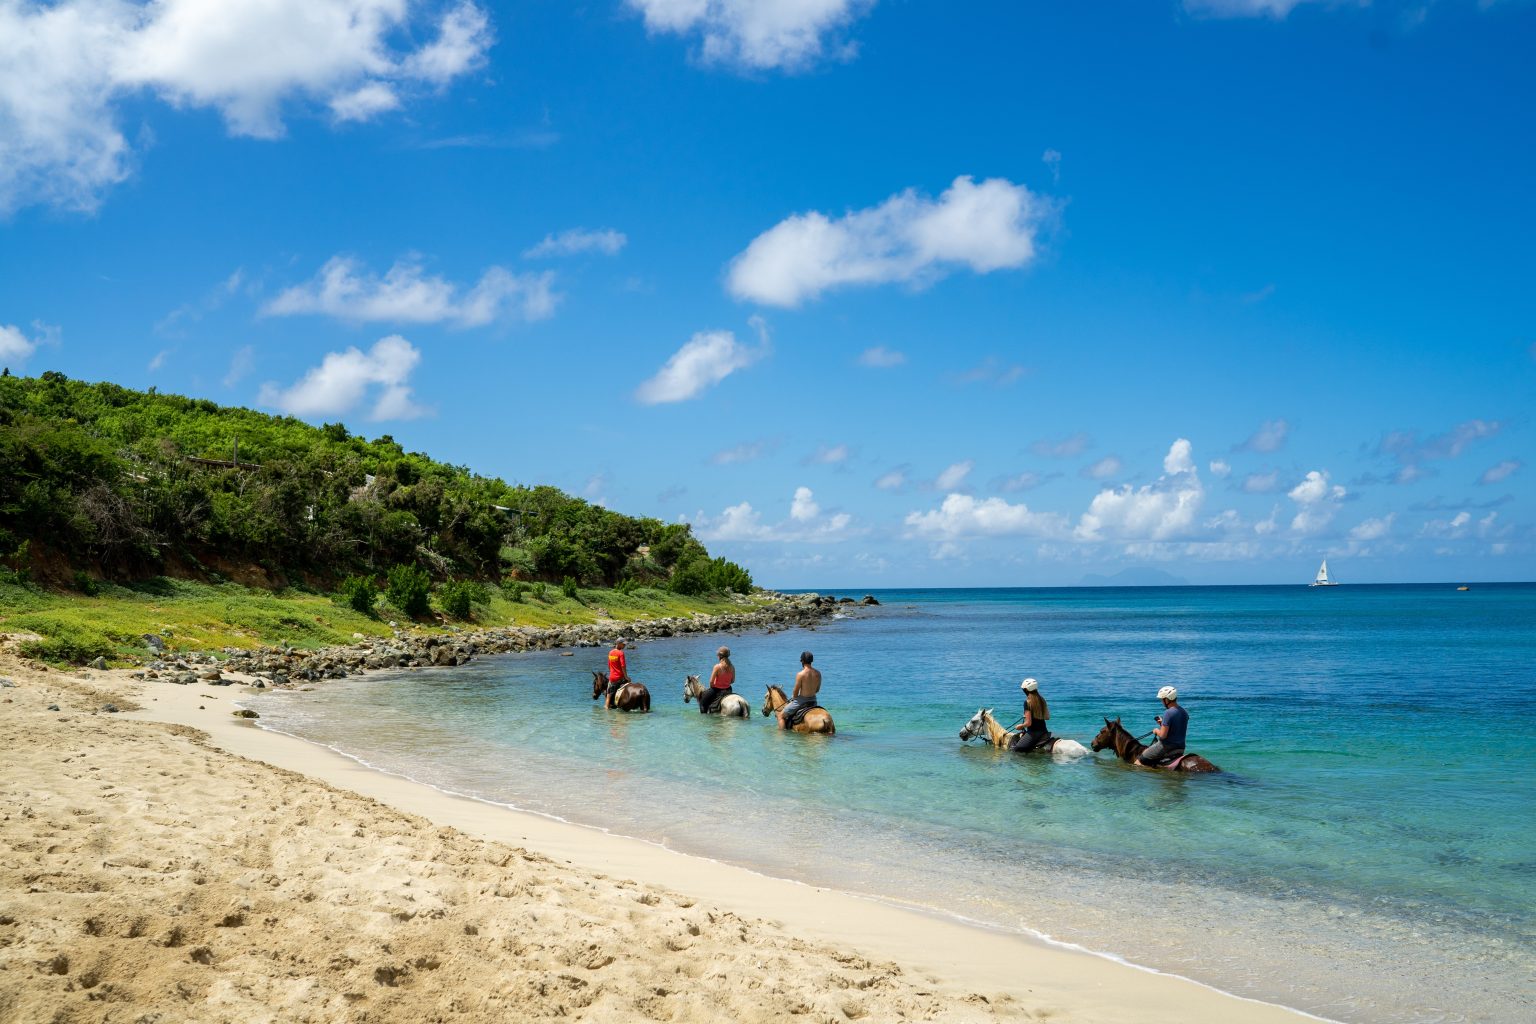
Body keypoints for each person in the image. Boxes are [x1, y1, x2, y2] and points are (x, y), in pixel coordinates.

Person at [1138, 685, 1188, 766]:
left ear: (1167, 699)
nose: (1162, 702)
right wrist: (1162, 723)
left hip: (1166, 746)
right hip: (1181, 747)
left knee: (1142, 758)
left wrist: (1156, 730)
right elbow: (1176, 728)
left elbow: (1162, 736)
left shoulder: (1168, 713)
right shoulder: (1184, 712)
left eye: (1162, 699)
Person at [777, 651, 821, 729]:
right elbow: (817, 690)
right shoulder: (818, 673)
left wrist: (794, 697)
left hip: (801, 701)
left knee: (780, 716)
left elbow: (795, 692)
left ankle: (782, 737)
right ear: (811, 661)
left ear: (802, 661)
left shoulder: (800, 674)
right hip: (814, 701)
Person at [1010, 677, 1051, 753]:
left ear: (1026, 690)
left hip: (1033, 733)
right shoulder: (1042, 700)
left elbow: (1028, 723)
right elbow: (1047, 717)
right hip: (1044, 731)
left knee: (1016, 749)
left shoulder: (1027, 702)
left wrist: (1020, 726)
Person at [699, 645, 735, 714]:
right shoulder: (732, 667)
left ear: (720, 656)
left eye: (717, 655)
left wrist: (714, 687)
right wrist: (725, 683)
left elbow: (711, 682)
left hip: (716, 690)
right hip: (728, 689)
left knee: (702, 702)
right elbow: (733, 681)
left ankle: (705, 719)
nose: (717, 656)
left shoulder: (717, 667)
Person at [603, 639, 629, 709]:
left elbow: (609, 665)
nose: (624, 645)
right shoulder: (621, 653)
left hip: (613, 678)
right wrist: (626, 677)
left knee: (608, 696)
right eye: (623, 644)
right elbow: (623, 666)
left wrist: (612, 673)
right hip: (621, 678)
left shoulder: (610, 652)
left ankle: (606, 707)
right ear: (618, 643)